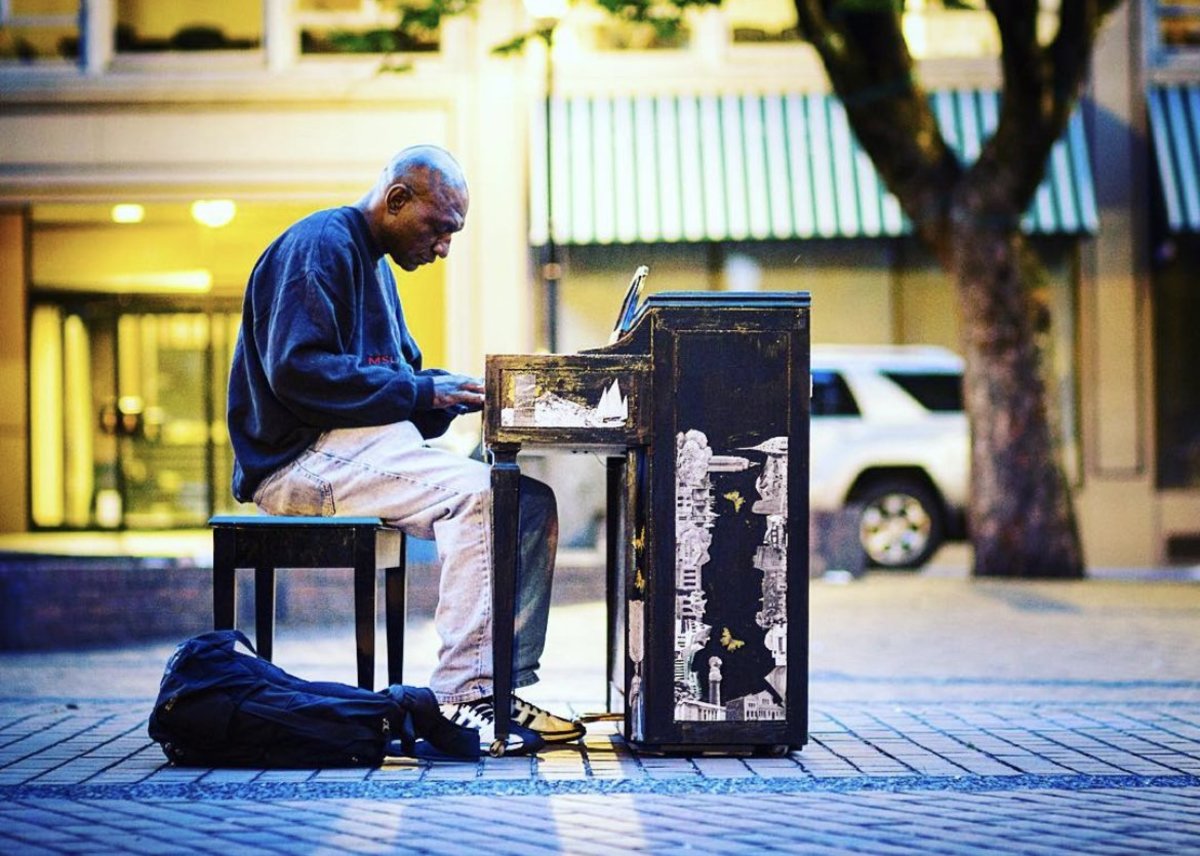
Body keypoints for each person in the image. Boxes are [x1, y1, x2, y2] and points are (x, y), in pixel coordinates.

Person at [226, 144, 583, 753]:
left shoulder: (378, 270)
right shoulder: (321, 244)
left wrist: (454, 395)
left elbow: (401, 386)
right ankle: (463, 696)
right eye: (440, 229)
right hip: (297, 459)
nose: (444, 248)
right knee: (479, 498)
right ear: (397, 200)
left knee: (525, 502)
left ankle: (501, 687)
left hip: (352, 447)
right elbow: (299, 372)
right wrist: (422, 390)